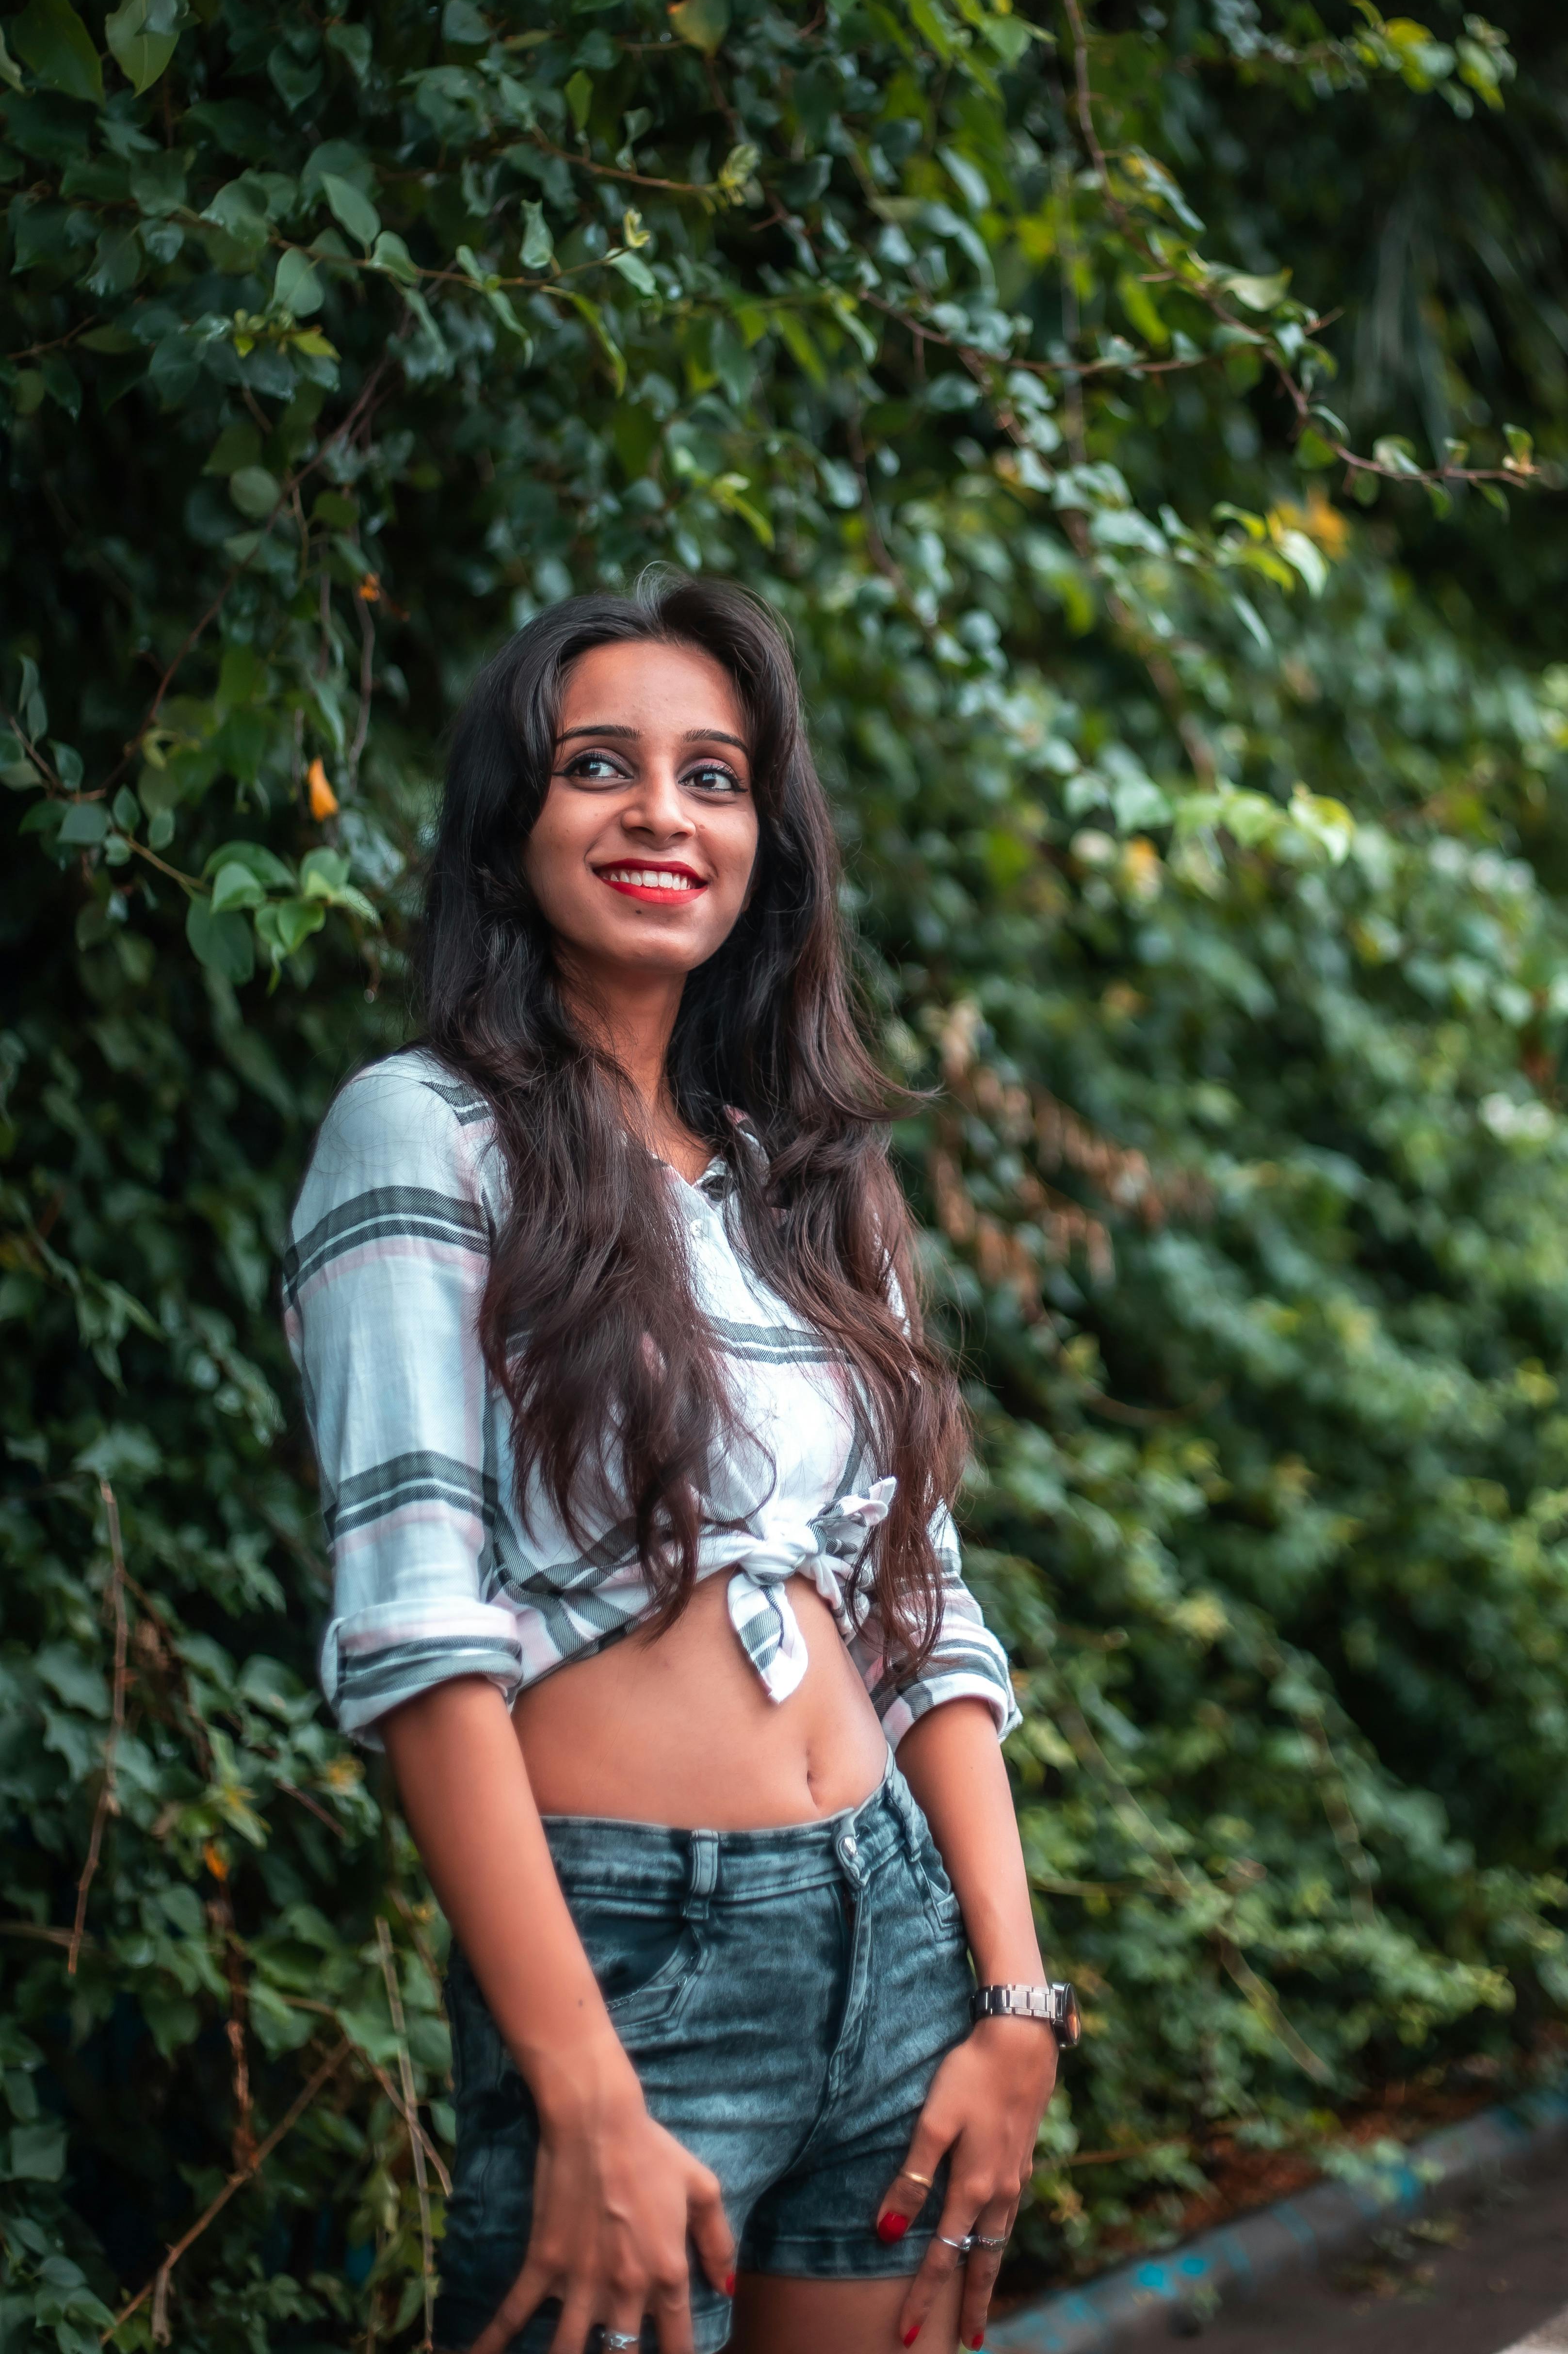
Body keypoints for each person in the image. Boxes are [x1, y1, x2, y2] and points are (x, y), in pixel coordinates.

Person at [284, 578, 1075, 2354]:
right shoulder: (421, 1135)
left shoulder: (811, 1177)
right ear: (512, 831)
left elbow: (924, 1606)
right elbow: (420, 1639)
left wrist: (1015, 2000)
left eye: (715, 775)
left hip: (893, 1926)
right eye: (600, 767)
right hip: (631, 1953)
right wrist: (578, 2086)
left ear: (765, 846)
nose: (664, 811)